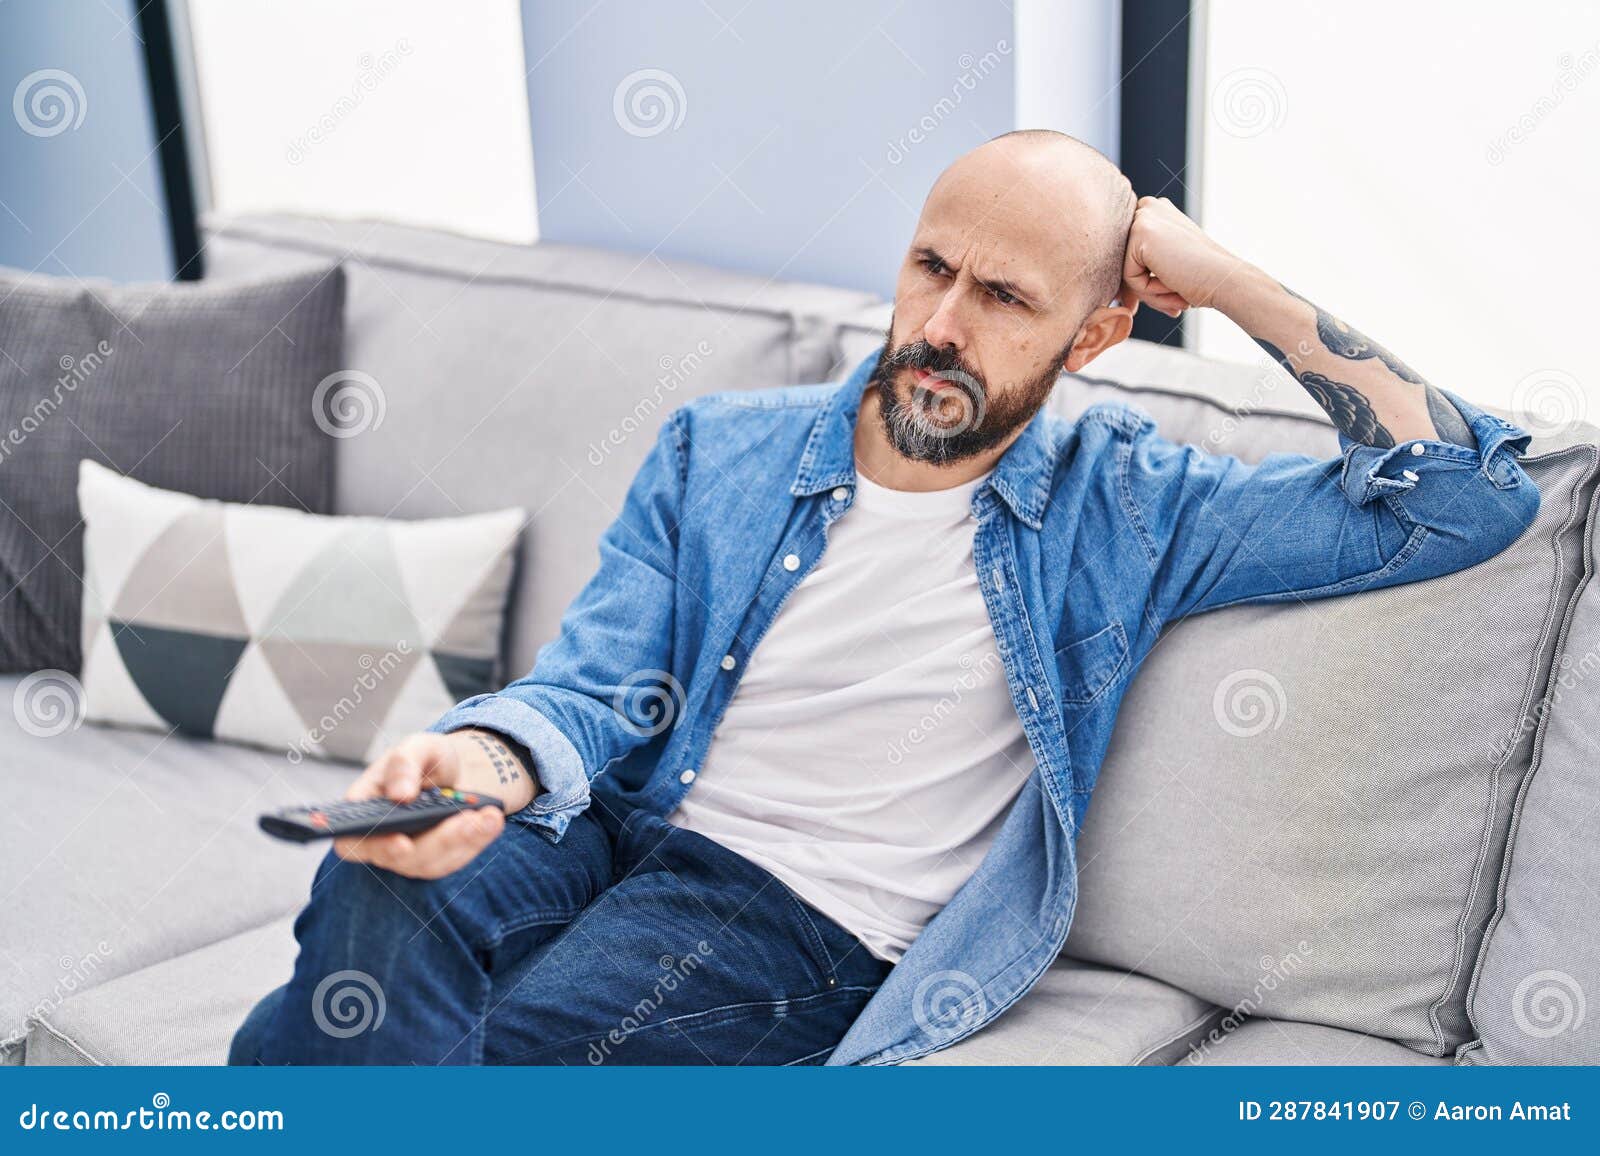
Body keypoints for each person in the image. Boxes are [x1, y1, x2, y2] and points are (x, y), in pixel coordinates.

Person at [231, 130, 1539, 1066]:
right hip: (617, 825)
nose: (942, 324)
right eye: (931, 269)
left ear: (1092, 337)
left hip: (799, 915)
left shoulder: (1133, 503)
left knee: (506, 1056)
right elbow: (590, 690)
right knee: (381, 877)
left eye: (1007, 297)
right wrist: (478, 762)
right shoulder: (722, 446)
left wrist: (1230, 276)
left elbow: (1464, 499)